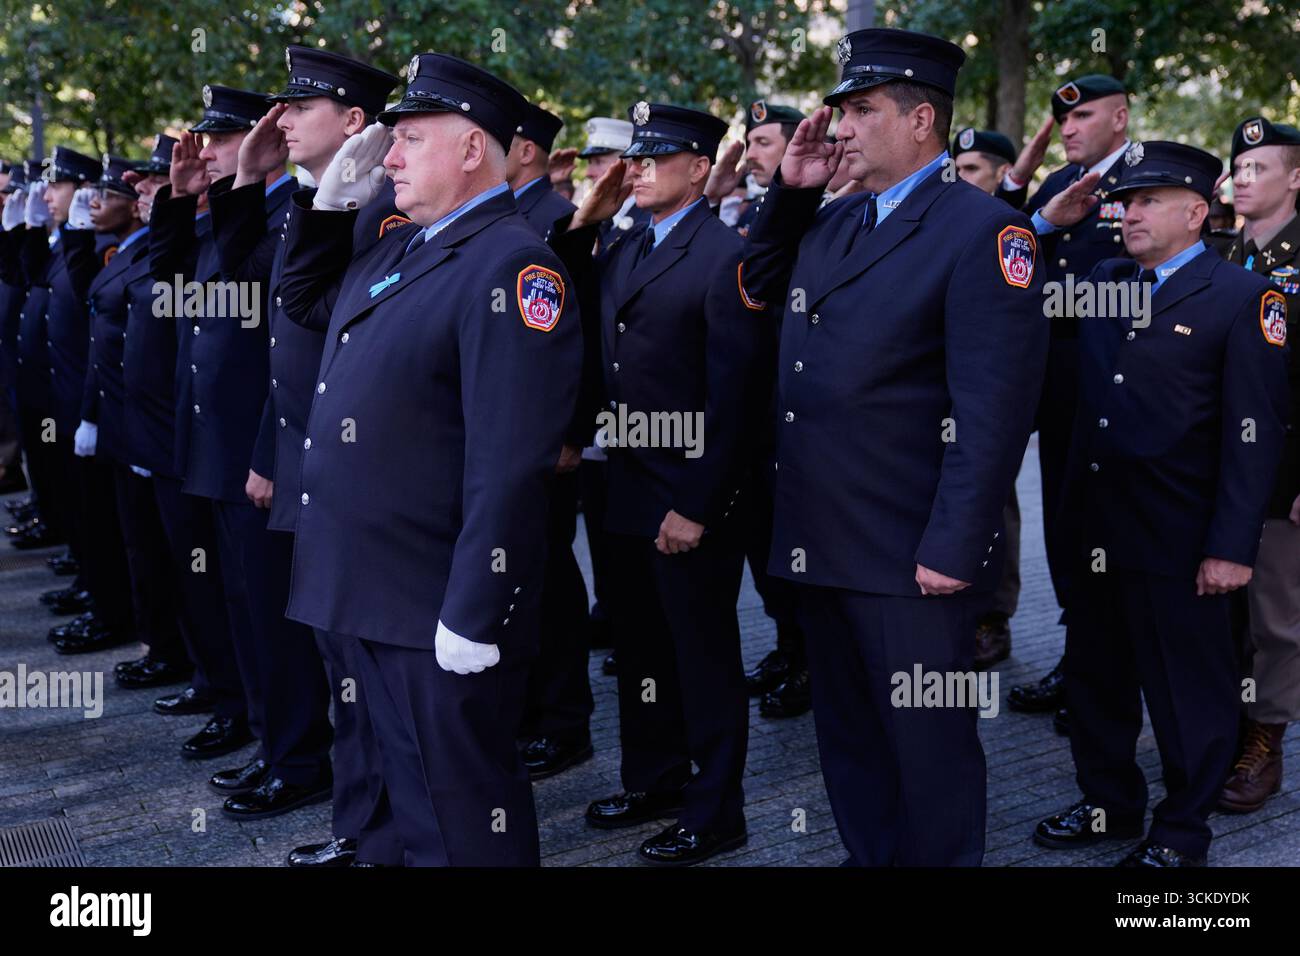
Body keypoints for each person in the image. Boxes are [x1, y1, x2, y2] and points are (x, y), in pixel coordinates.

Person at [740, 27, 1049, 865]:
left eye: (861, 108)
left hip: (912, 554)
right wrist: (791, 193)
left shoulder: (984, 231)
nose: (838, 126)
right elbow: (752, 289)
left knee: (930, 752)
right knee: (850, 740)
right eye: (838, 108)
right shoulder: (832, 221)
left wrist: (955, 548)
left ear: (922, 122)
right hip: (822, 538)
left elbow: (993, 412)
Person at [276, 52, 582, 867]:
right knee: (394, 802)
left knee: (458, 812)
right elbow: (304, 303)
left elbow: (509, 461)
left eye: (409, 138)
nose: (390, 156)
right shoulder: (398, 247)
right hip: (368, 587)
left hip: (434, 602)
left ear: (473, 149)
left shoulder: (514, 264)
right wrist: (323, 200)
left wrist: (473, 613)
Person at [1032, 141, 1288, 866]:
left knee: (1189, 696)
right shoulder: (1105, 279)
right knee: (1094, 679)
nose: (1128, 212)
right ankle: (1109, 805)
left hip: (1182, 539)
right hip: (1096, 529)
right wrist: (1049, 223)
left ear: (1198, 212)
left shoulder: (1242, 297)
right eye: (1126, 200)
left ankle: (1181, 833)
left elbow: (1255, 437)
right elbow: (1011, 282)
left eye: (1147, 201)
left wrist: (1233, 548)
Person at [1004, 75, 1135, 732]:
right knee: (1064, 525)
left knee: (1113, 531)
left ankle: (1109, 668)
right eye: (1063, 119)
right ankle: (1078, 654)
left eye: (1082, 116)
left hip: (1124, 388)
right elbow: (1014, 259)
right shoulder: (1056, 188)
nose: (1069, 128)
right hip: (1057, 388)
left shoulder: (1150, 177)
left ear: (1120, 116)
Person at [706, 99, 813, 718]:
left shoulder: (807, 212)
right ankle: (784, 642)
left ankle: (805, 658)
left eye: (766, 143)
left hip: (786, 400)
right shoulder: (740, 209)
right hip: (745, 401)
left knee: (787, 537)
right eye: (750, 144)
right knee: (759, 539)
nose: (753, 156)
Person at [1212, 117, 1300, 814]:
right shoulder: (1225, 252)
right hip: (1218, 468)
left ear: (1295, 178)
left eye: (1259, 168)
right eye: (1238, 168)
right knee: (1228, 611)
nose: (1243, 178)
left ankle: (1264, 741)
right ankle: (1228, 724)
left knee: (1277, 618)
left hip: (1283, 472)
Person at [952, 125, 1023, 669]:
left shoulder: (1013, 229)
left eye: (974, 167)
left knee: (994, 501)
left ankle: (992, 618)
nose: (961, 175)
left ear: (1004, 173)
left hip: (995, 395)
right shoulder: (941, 220)